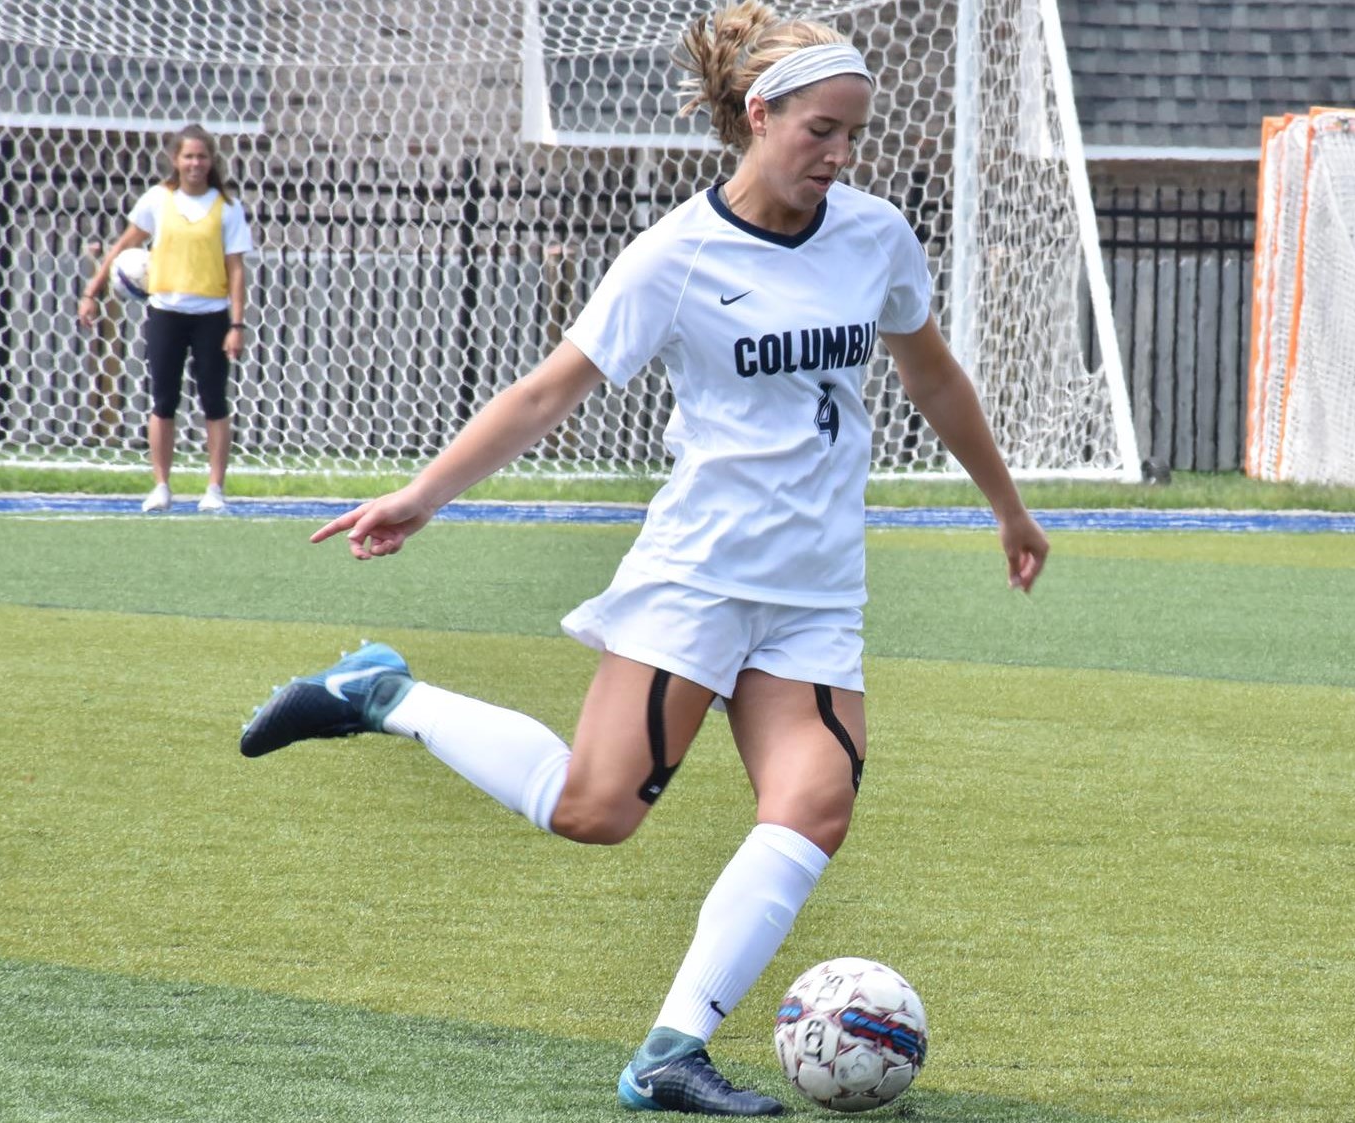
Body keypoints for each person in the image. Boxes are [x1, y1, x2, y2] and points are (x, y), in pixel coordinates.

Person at [237, 3, 1048, 1115]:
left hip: (814, 593)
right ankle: (383, 693)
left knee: (813, 804)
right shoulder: (676, 255)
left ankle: (669, 1052)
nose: (840, 155)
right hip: (700, 577)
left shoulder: (874, 235)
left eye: (853, 133)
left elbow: (932, 377)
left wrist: (1006, 508)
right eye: (821, 129)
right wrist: (422, 494)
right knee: (594, 810)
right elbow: (546, 392)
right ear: (758, 115)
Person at [78, 124, 251, 514]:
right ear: (176, 160)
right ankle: (161, 485)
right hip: (165, 312)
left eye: (202, 157)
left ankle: (215, 489)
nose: (195, 163)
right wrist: (93, 291)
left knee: (214, 401)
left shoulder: (227, 207)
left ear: (211, 162)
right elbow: (124, 246)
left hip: (211, 315)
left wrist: (237, 325)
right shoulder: (158, 199)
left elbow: (236, 269)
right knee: (164, 399)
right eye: (188, 156)